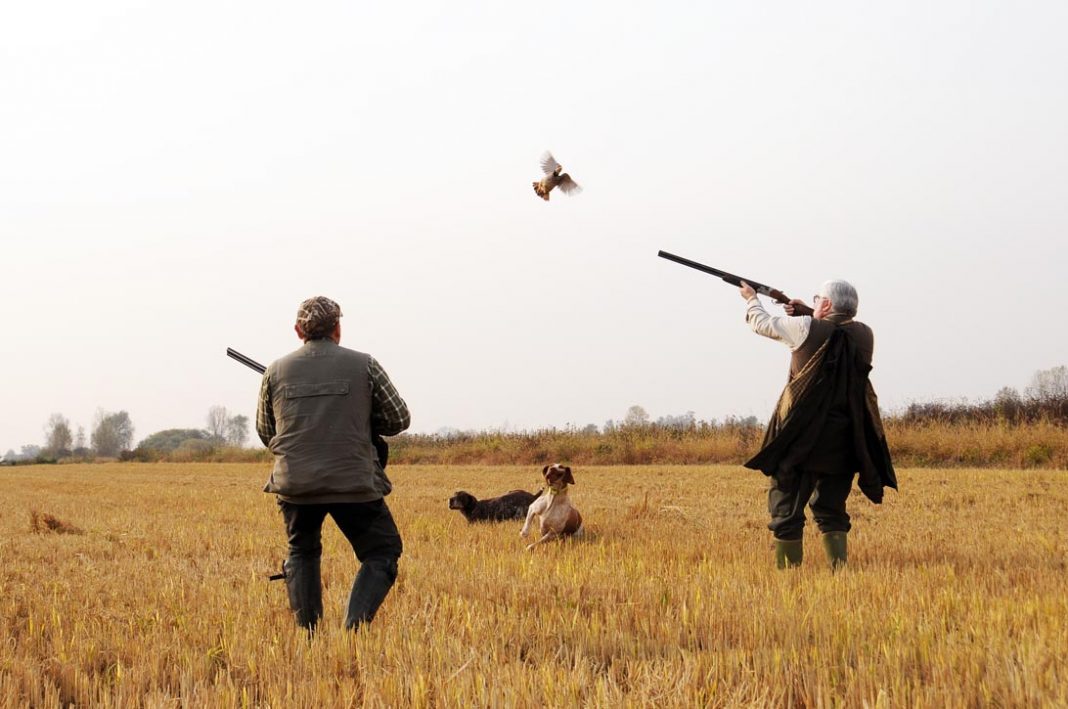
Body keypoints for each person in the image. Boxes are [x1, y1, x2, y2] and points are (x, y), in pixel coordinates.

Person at [256, 296, 410, 631]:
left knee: (302, 551)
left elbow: (266, 433)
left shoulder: (275, 371)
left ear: (298, 331)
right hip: (354, 482)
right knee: (382, 551)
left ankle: (308, 634)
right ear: (338, 328)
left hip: (296, 485)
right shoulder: (365, 364)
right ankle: (353, 629)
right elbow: (399, 419)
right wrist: (363, 420)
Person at [738, 279, 895, 571]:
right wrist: (808, 311)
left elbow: (762, 323)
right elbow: (836, 330)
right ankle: (838, 570)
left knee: (785, 510)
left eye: (818, 298)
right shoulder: (864, 335)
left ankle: (789, 579)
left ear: (826, 304)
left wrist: (750, 298)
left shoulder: (806, 329)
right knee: (831, 508)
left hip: (802, 440)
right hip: (846, 442)